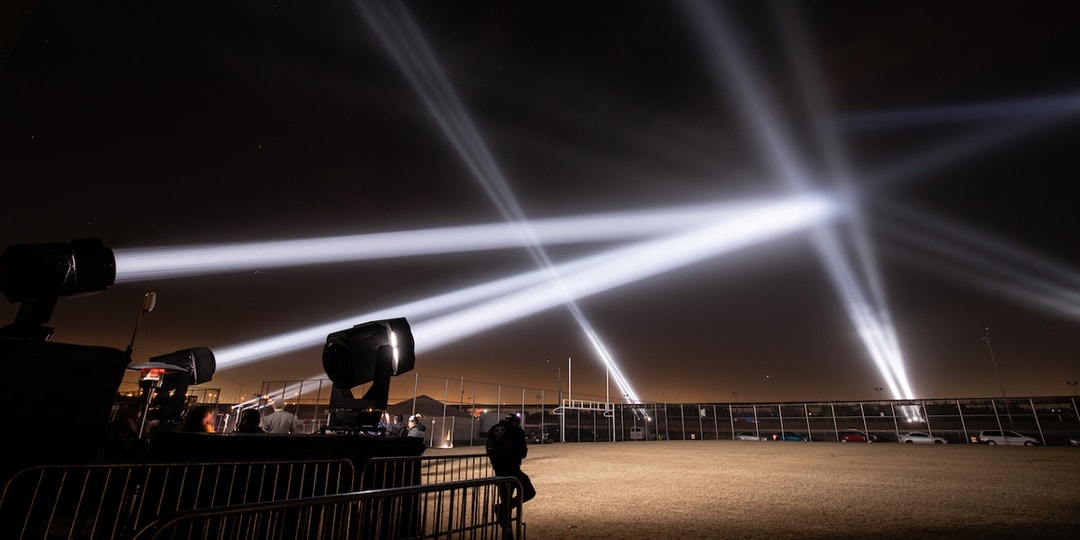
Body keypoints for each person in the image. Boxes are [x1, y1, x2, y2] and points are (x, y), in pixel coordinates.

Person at [486, 413, 536, 527]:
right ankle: (502, 509)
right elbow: (522, 453)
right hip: (512, 469)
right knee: (529, 492)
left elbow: (489, 450)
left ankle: (506, 527)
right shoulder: (516, 431)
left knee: (505, 499)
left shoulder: (492, 430)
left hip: (498, 470)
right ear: (515, 422)